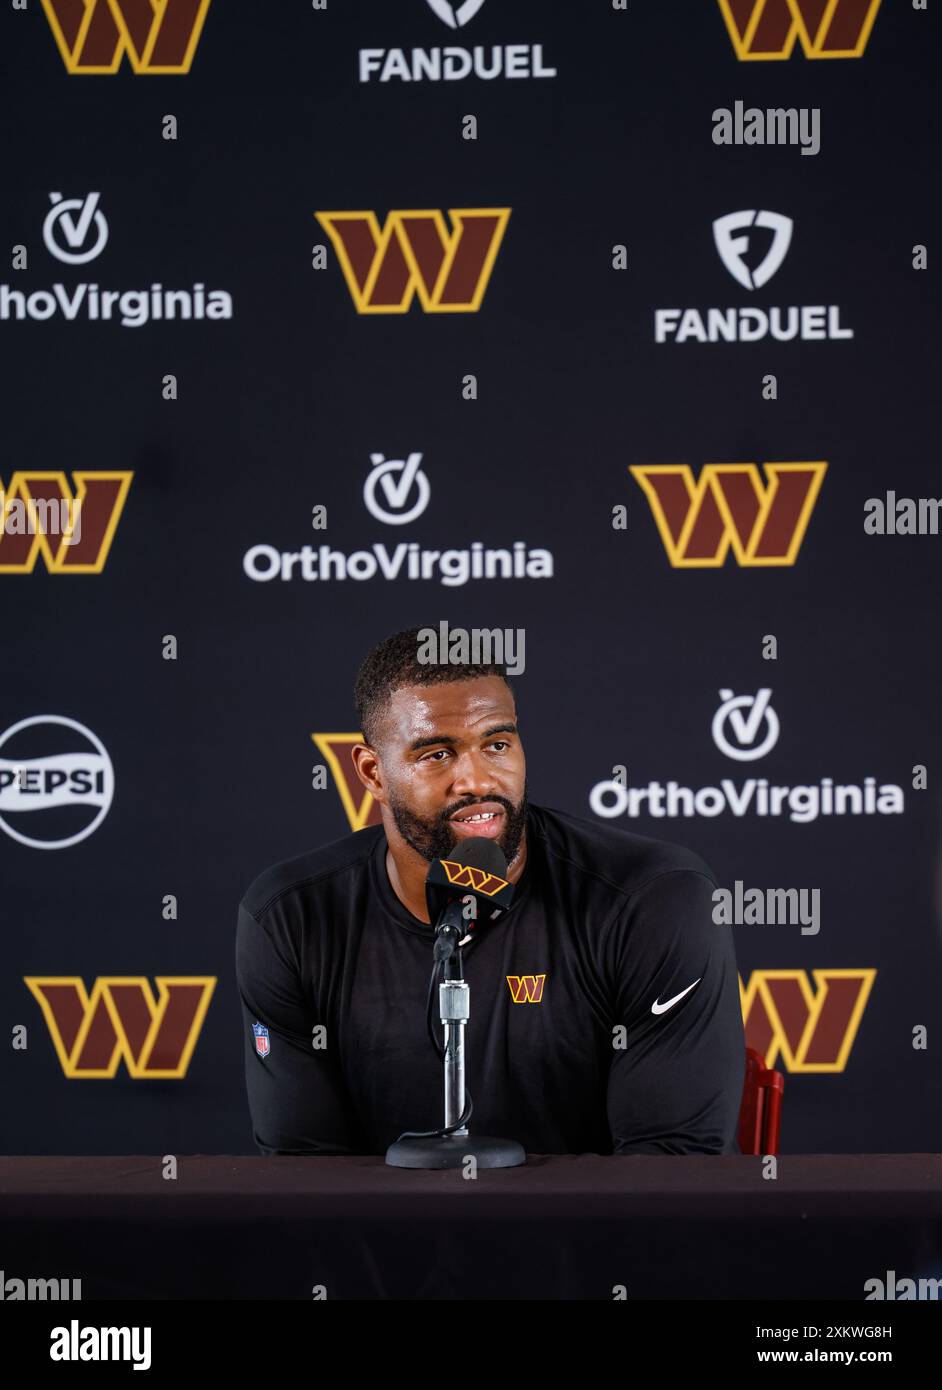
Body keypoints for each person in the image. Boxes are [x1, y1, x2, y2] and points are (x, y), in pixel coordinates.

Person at [236, 626, 745, 1155]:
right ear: (372, 773)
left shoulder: (652, 899)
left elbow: (671, 1169)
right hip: (385, 1238)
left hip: (590, 1236)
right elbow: (302, 1174)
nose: (478, 780)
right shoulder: (291, 917)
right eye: (436, 755)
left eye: (497, 744)